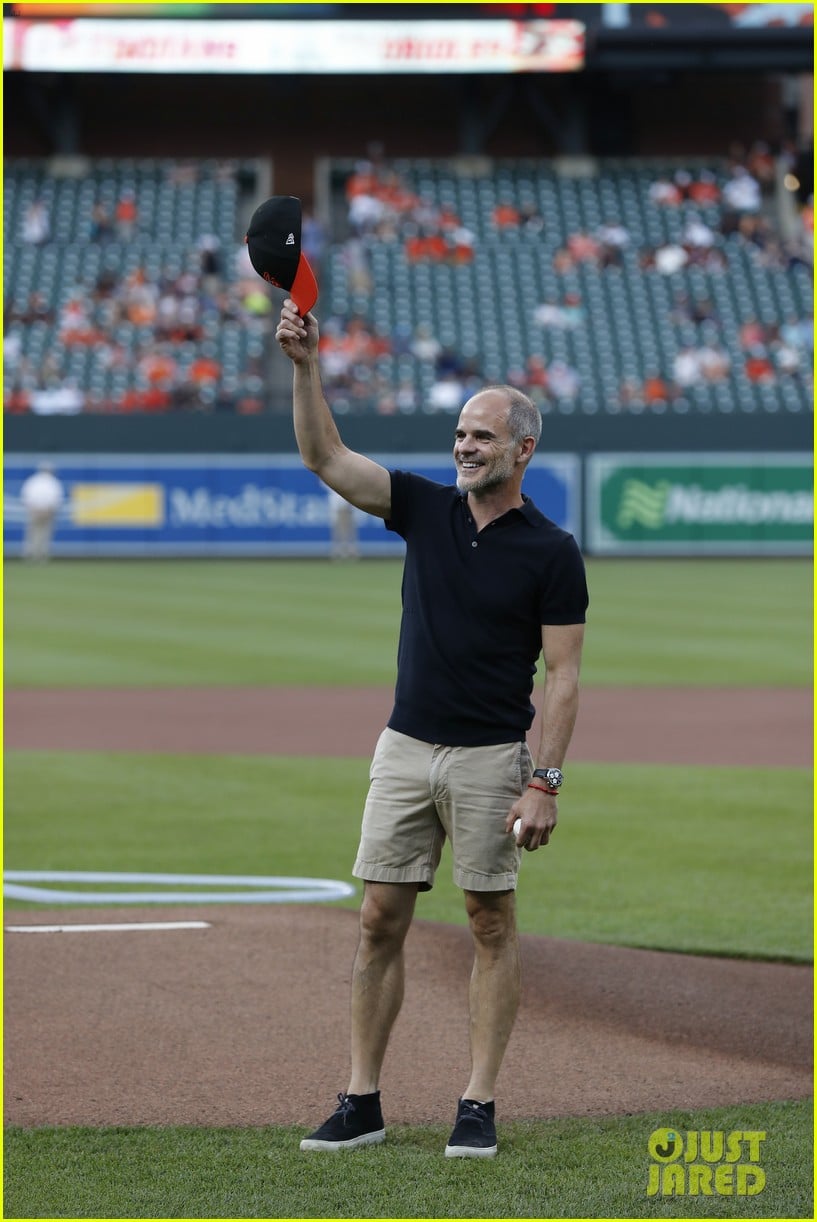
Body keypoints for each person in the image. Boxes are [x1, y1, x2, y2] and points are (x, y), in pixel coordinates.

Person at [276, 299, 588, 1159]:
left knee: (490, 921)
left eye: (481, 437)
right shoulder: (423, 507)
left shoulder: (551, 550)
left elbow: (561, 678)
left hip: (493, 756)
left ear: (521, 450)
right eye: (459, 434)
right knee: (378, 917)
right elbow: (325, 456)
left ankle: (477, 1103)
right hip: (405, 746)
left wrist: (543, 782)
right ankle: (361, 1099)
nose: (462, 447)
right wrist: (306, 369)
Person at [20, 462, 64, 561]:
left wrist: (33, 509)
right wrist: (48, 509)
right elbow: (57, 499)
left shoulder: (32, 481)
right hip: (46, 511)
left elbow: (25, 496)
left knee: (33, 533)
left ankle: (31, 555)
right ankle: (41, 556)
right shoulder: (53, 482)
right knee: (44, 534)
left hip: (34, 510)